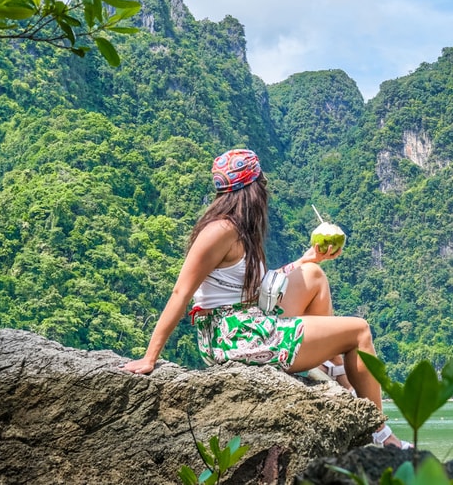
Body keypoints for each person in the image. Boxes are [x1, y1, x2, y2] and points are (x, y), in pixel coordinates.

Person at [121, 148, 407, 449]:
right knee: (359, 330)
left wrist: (307, 259)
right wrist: (150, 357)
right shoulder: (219, 231)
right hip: (234, 337)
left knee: (312, 274)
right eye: (262, 183)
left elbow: (260, 287)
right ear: (252, 188)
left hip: (249, 319)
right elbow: (182, 292)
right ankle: (380, 432)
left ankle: (330, 367)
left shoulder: (239, 228)